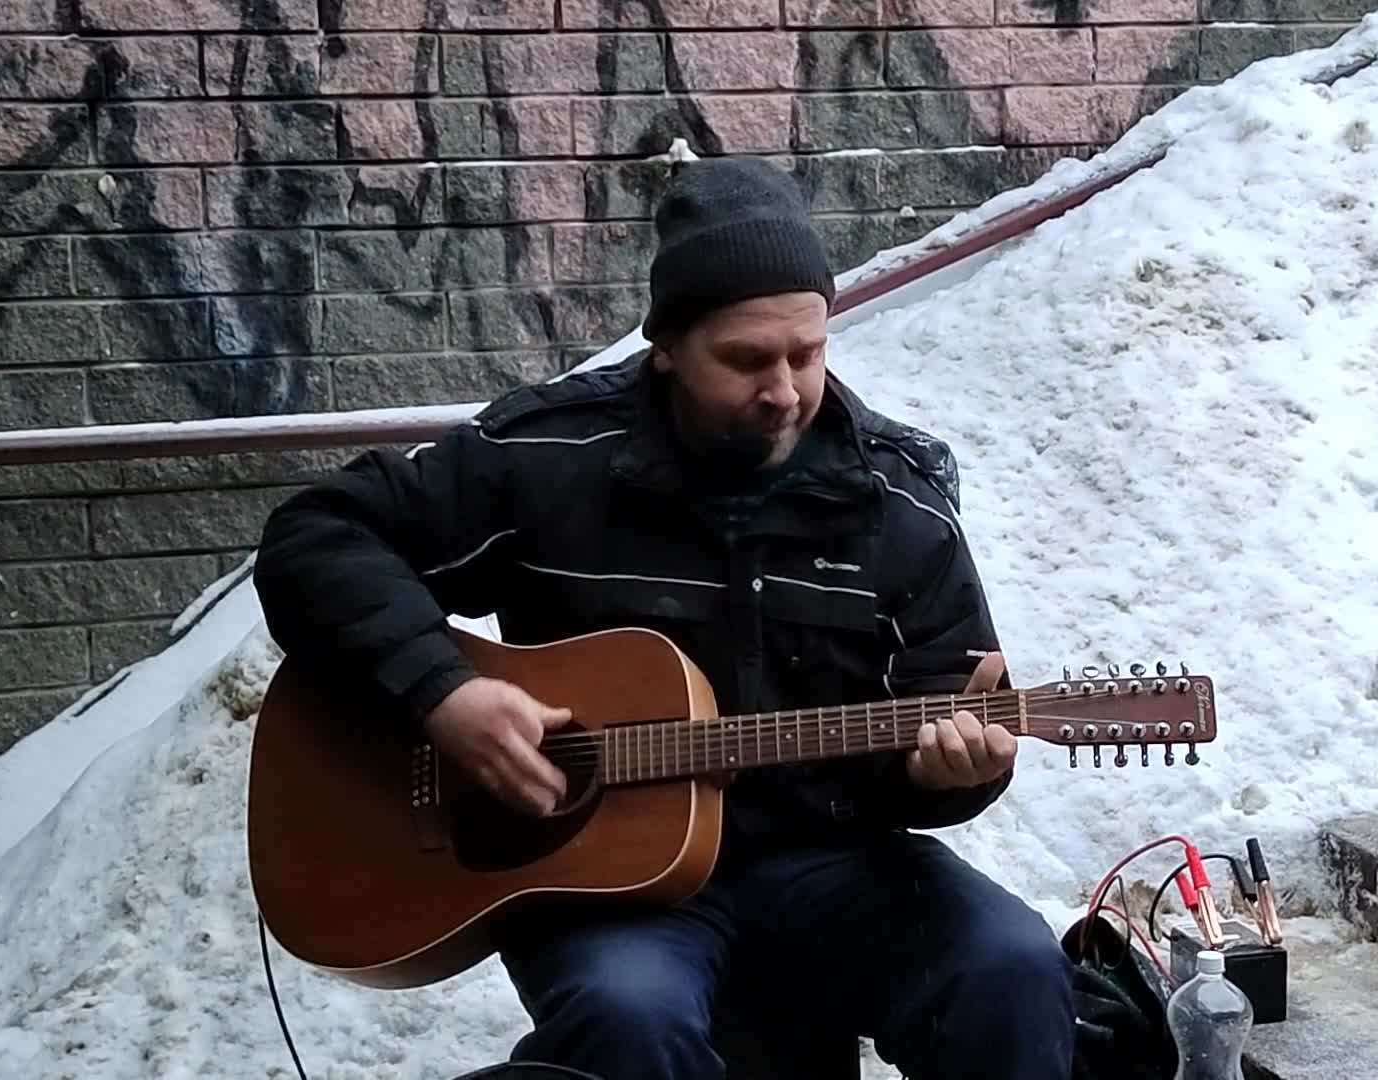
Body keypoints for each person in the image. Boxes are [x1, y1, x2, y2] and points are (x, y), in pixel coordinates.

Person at [253, 156, 1076, 1080]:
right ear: (668, 348)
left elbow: (940, 720)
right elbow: (315, 538)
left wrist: (954, 775)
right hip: (610, 885)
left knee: (1010, 968)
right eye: (746, 360)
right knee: (626, 1017)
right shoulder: (548, 456)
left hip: (829, 861)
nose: (784, 391)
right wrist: (444, 694)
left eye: (807, 354)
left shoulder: (899, 502)